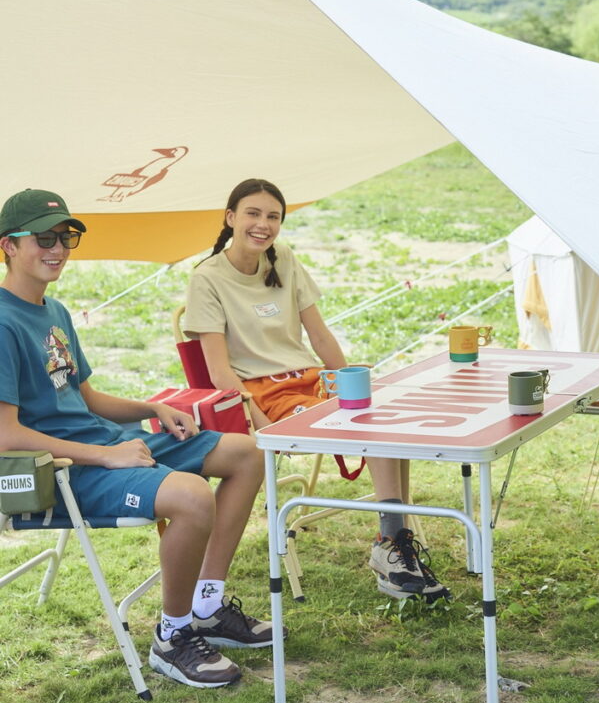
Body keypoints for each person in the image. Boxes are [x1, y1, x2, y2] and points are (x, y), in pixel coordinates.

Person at [0, 188, 281, 691]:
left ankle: (207, 606)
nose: (58, 248)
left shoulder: (54, 310)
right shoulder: (1, 322)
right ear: (9, 246)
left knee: (249, 453)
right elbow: (6, 435)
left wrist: (153, 409)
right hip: (62, 469)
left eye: (67, 236)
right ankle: (172, 638)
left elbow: (85, 398)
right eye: (44, 238)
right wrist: (106, 456)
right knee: (193, 498)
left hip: (106, 442)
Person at [184, 178, 450, 603]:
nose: (263, 224)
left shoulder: (283, 259)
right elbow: (219, 373)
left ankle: (393, 543)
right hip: (262, 394)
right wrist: (261, 421)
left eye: (273, 216)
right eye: (253, 213)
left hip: (310, 381)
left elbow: (320, 336)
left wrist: (351, 385)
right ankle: (393, 547)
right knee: (371, 423)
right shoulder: (207, 279)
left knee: (382, 412)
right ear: (230, 217)